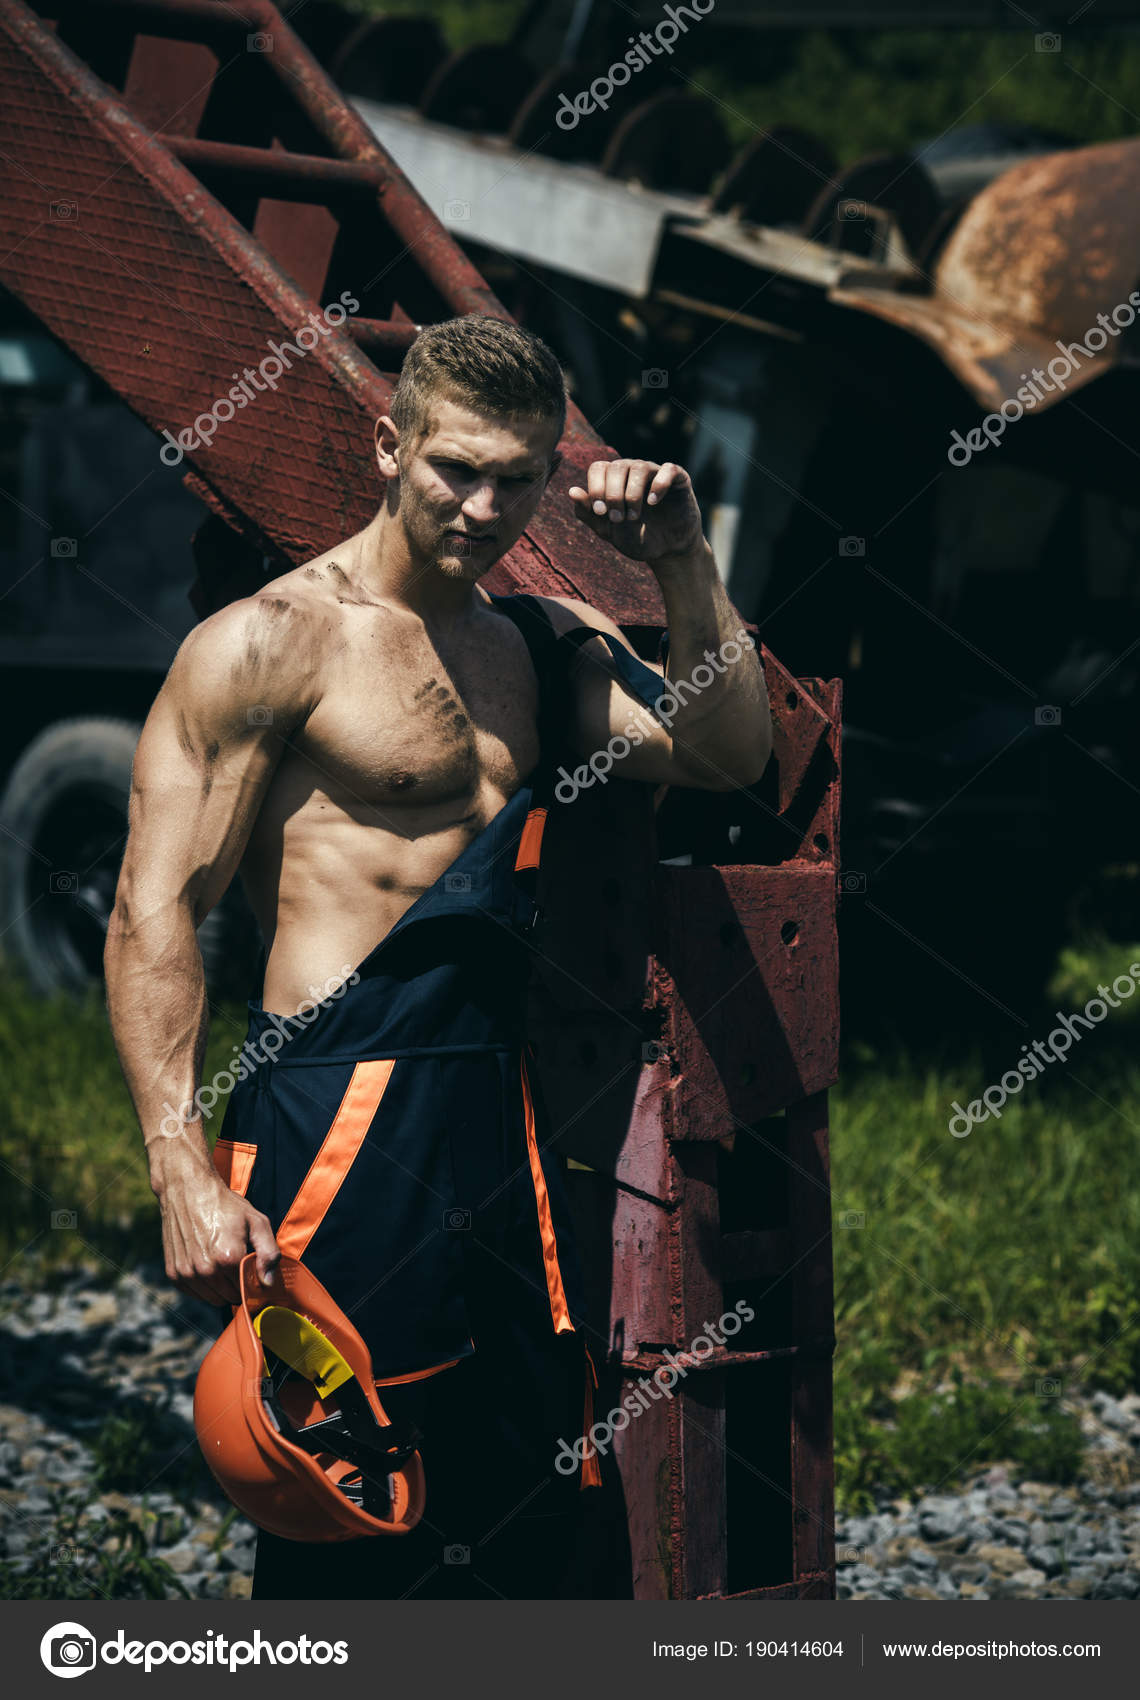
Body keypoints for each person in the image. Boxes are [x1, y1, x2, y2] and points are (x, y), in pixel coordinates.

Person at [104, 314, 772, 1598]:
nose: (484, 504)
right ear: (387, 445)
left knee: (514, 1465)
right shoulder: (272, 642)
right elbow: (152, 911)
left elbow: (724, 750)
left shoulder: (533, 643)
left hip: (492, 1106)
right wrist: (179, 1167)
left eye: (516, 477)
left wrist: (687, 561)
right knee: (340, 1483)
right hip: (336, 1101)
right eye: (454, 468)